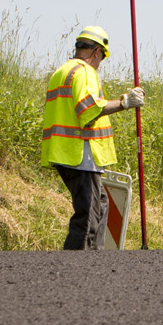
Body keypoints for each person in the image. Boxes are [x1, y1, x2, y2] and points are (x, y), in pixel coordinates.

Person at [40, 25, 143, 249]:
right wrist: (125, 102)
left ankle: (95, 260)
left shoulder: (62, 71)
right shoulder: (84, 71)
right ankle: (77, 269)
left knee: (100, 205)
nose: (99, 64)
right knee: (87, 215)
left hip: (64, 152)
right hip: (80, 154)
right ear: (97, 52)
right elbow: (87, 109)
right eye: (101, 59)